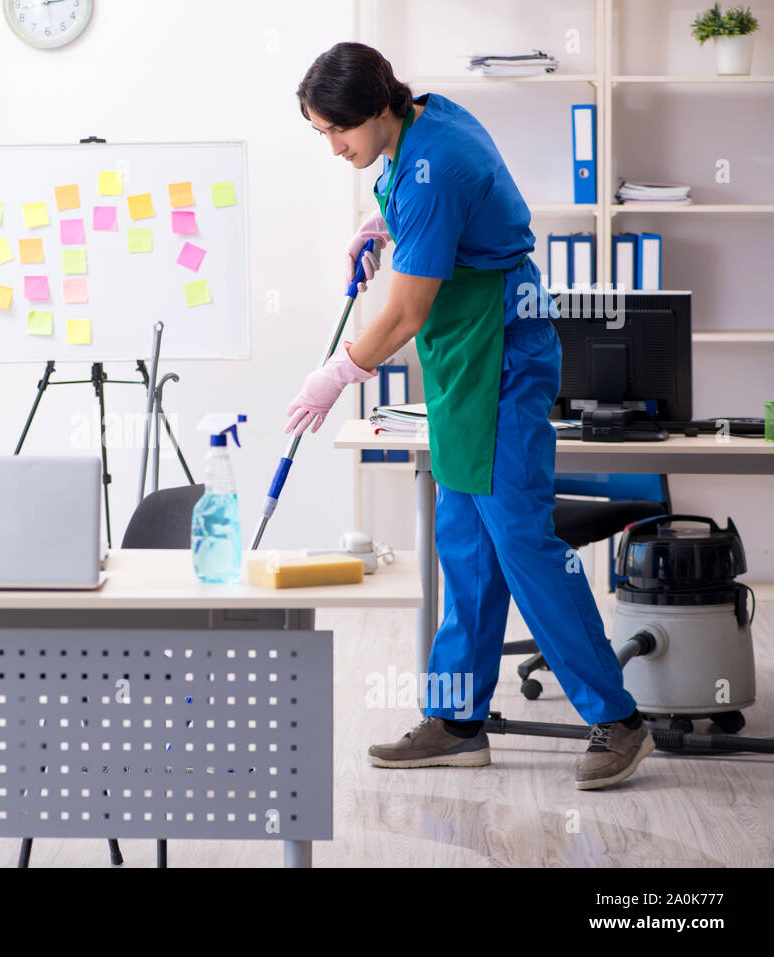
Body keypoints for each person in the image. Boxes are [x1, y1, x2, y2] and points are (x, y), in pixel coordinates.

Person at [288, 42, 654, 790]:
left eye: (338, 131)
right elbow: (451, 217)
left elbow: (406, 310)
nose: (334, 147)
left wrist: (339, 372)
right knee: (466, 542)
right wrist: (383, 226)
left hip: (501, 357)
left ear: (378, 107)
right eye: (321, 133)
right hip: (464, 361)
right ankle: (458, 721)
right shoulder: (422, 125)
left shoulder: (435, 161)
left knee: (520, 539)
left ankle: (619, 719)